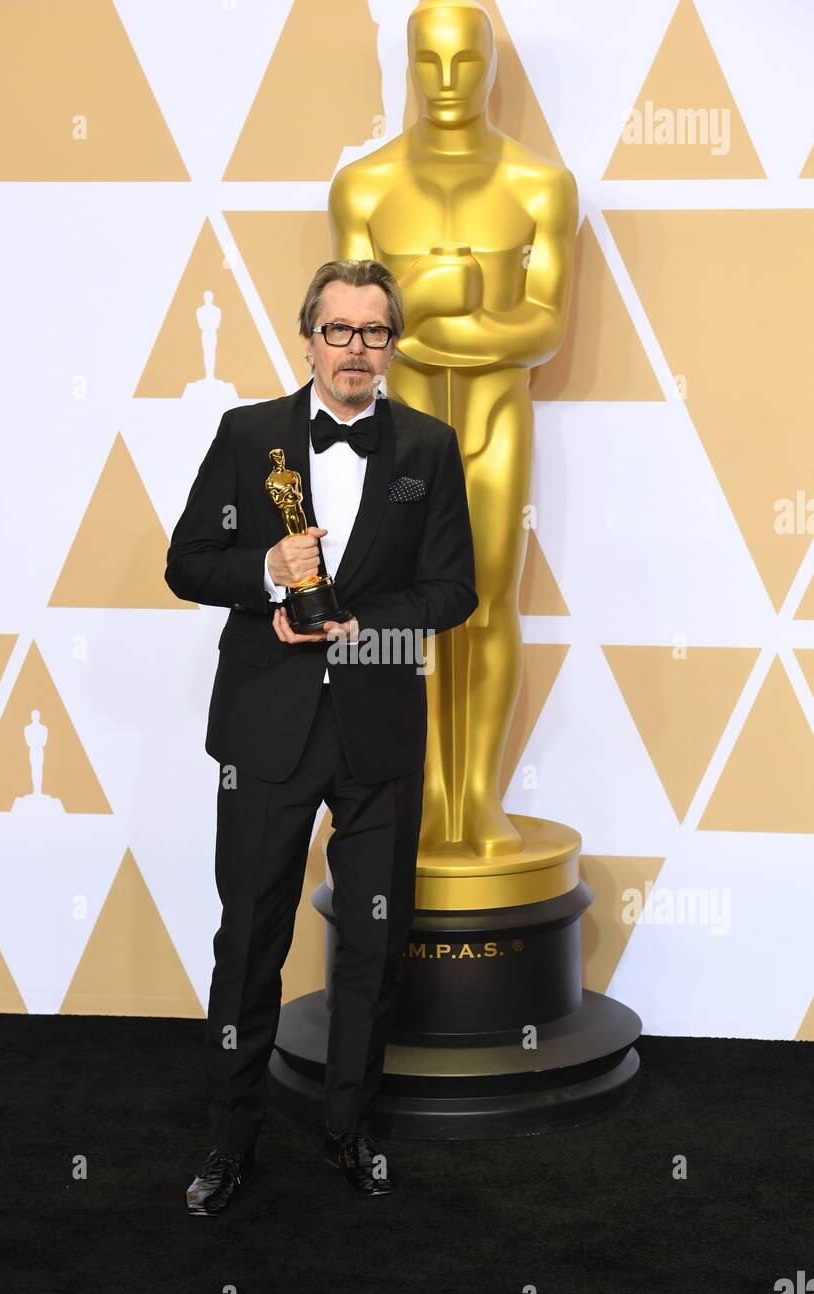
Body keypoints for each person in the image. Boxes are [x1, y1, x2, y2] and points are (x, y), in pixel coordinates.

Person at [165, 258, 477, 1214]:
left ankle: (350, 1133)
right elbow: (187, 563)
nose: (356, 351)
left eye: (374, 333)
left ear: (392, 345)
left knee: (372, 950)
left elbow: (454, 591)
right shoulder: (247, 433)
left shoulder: (428, 447)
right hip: (269, 729)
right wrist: (264, 568)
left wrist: (365, 627)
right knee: (250, 937)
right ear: (308, 336)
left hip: (378, 726)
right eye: (338, 331)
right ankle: (228, 1144)